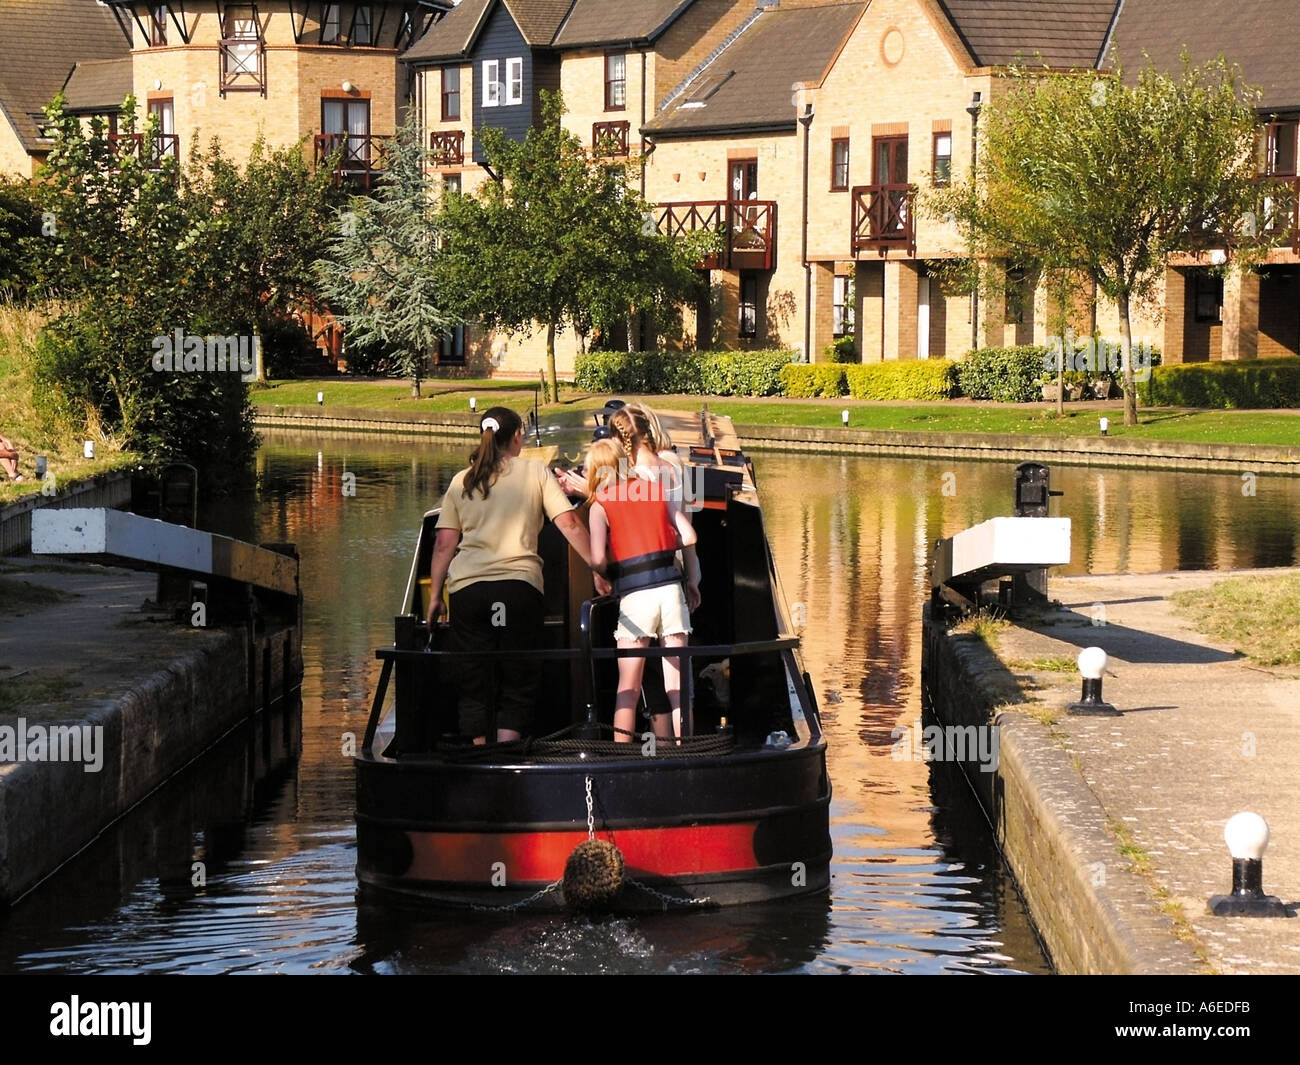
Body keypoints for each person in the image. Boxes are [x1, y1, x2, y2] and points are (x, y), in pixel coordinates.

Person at [426, 407, 602, 745]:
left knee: (474, 674)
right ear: (518, 437)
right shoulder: (535, 472)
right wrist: (598, 565)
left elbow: (444, 545)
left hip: (468, 591)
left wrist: (436, 597)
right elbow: (568, 524)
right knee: (518, 672)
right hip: (518, 589)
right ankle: (507, 749)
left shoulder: (461, 480)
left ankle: (480, 752)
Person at [585, 437, 700, 744]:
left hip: (636, 599)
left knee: (629, 689)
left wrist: (607, 570)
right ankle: (684, 755)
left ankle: (621, 760)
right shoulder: (656, 490)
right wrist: (658, 546)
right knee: (677, 690)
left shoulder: (600, 505)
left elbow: (597, 558)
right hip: (671, 594)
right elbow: (688, 536)